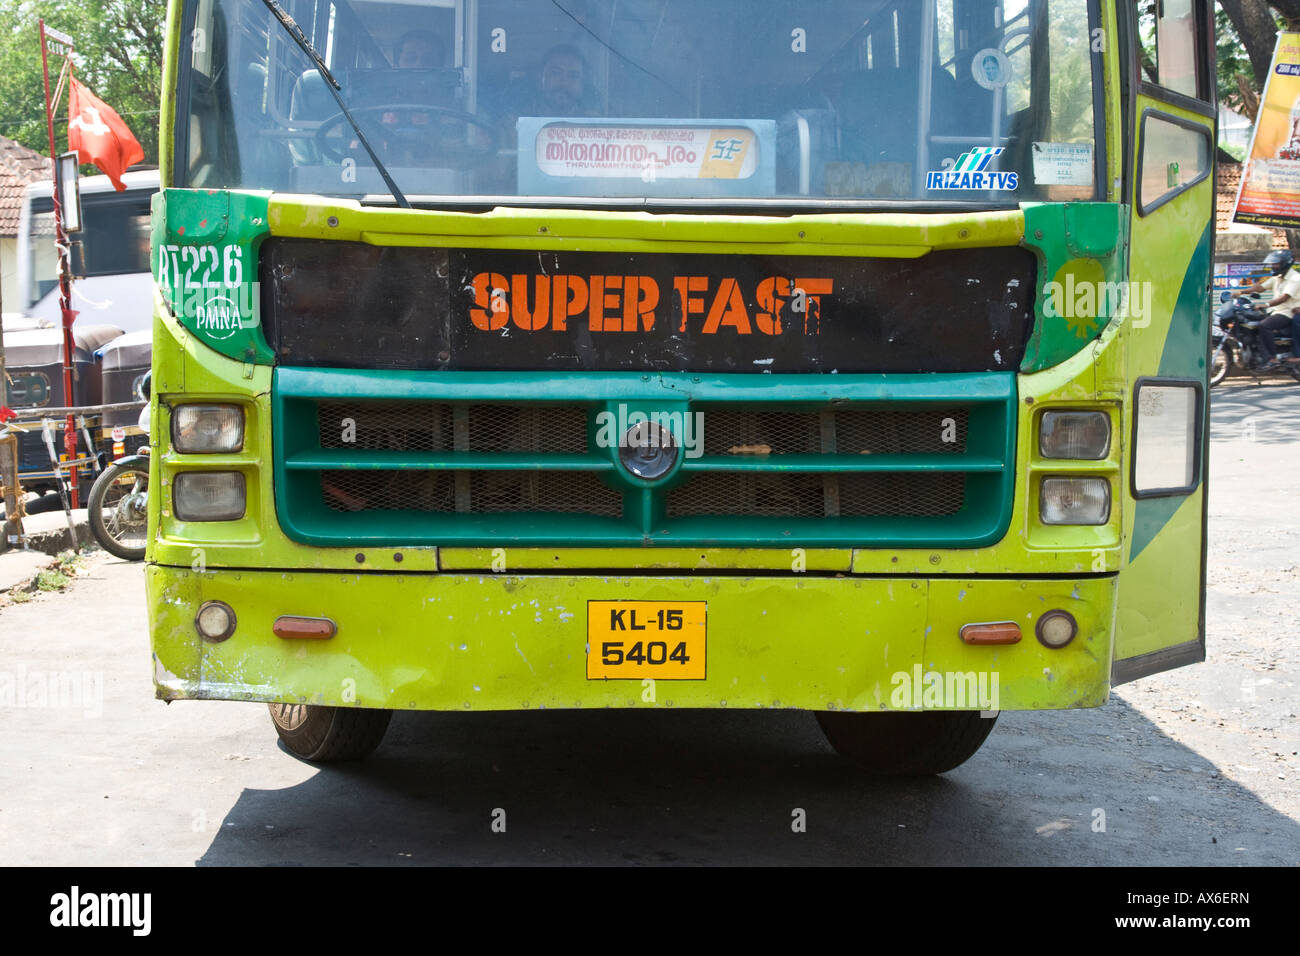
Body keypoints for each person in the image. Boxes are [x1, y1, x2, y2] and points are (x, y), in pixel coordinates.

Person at [1240, 249, 1300, 369]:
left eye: (1276, 264)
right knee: (1253, 324)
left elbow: (1284, 297)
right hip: (1275, 312)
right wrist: (1240, 292)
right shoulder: (1278, 277)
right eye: (1273, 264)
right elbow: (1260, 287)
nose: (1274, 266)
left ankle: (1271, 358)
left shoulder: (1295, 278)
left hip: (1287, 312)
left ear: (1285, 264)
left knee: (1264, 325)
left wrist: (1266, 304)